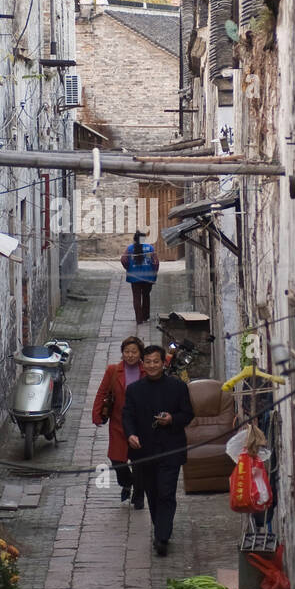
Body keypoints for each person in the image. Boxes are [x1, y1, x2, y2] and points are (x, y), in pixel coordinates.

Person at [122, 343, 194, 555]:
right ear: (143, 364)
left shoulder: (178, 387)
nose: (152, 365)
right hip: (144, 451)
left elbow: (188, 414)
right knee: (152, 493)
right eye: (149, 362)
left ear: (164, 363)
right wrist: (131, 434)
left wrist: (172, 419)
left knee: (167, 492)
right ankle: (160, 527)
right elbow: (127, 416)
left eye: (156, 362)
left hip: (170, 449)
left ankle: (162, 536)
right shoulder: (134, 390)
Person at [91, 336, 145, 503]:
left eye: (134, 352)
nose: (130, 355)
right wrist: (97, 414)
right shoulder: (113, 371)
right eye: (127, 352)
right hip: (118, 421)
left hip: (141, 423)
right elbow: (102, 392)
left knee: (139, 462)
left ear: (140, 353)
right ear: (122, 353)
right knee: (117, 460)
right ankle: (127, 483)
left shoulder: (147, 370)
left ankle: (139, 496)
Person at [120, 230, 160, 326]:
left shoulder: (129, 249)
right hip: (148, 276)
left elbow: (123, 260)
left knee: (136, 297)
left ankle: (139, 320)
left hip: (134, 277)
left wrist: (128, 268)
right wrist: (154, 274)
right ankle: (145, 317)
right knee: (146, 296)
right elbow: (156, 262)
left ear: (134, 239)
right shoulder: (150, 248)